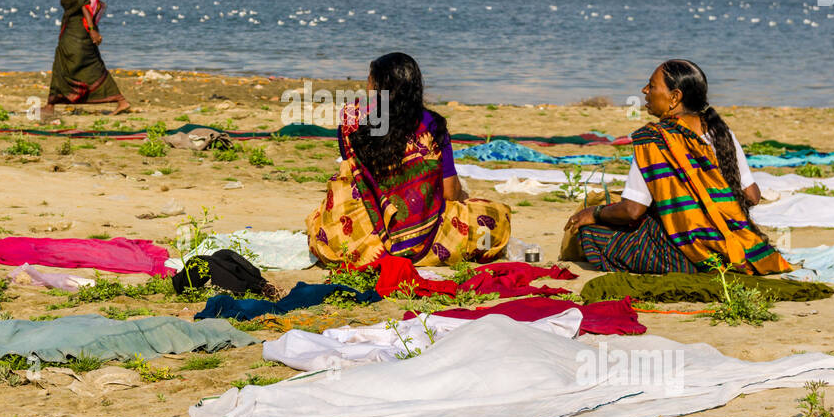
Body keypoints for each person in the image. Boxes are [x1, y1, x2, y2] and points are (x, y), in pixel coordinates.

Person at [565, 59, 791, 275]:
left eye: (652, 86)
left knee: (592, 233)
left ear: (674, 97)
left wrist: (594, 213)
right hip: (737, 248)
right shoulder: (721, 133)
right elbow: (752, 196)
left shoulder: (653, 140)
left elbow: (632, 210)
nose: (644, 90)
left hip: (685, 252)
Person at [307, 52, 510, 268]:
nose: (366, 86)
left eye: (369, 80)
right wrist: (464, 198)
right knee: (495, 218)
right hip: (424, 237)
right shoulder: (431, 124)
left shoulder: (352, 119)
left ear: (377, 87)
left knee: (318, 221)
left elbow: (354, 177)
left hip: (361, 235)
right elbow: (450, 192)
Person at [42, 0, 129, 118]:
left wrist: (91, 30)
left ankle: (51, 105)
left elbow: (84, 5)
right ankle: (121, 100)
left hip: (78, 30)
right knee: (89, 63)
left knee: (70, 63)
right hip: (73, 29)